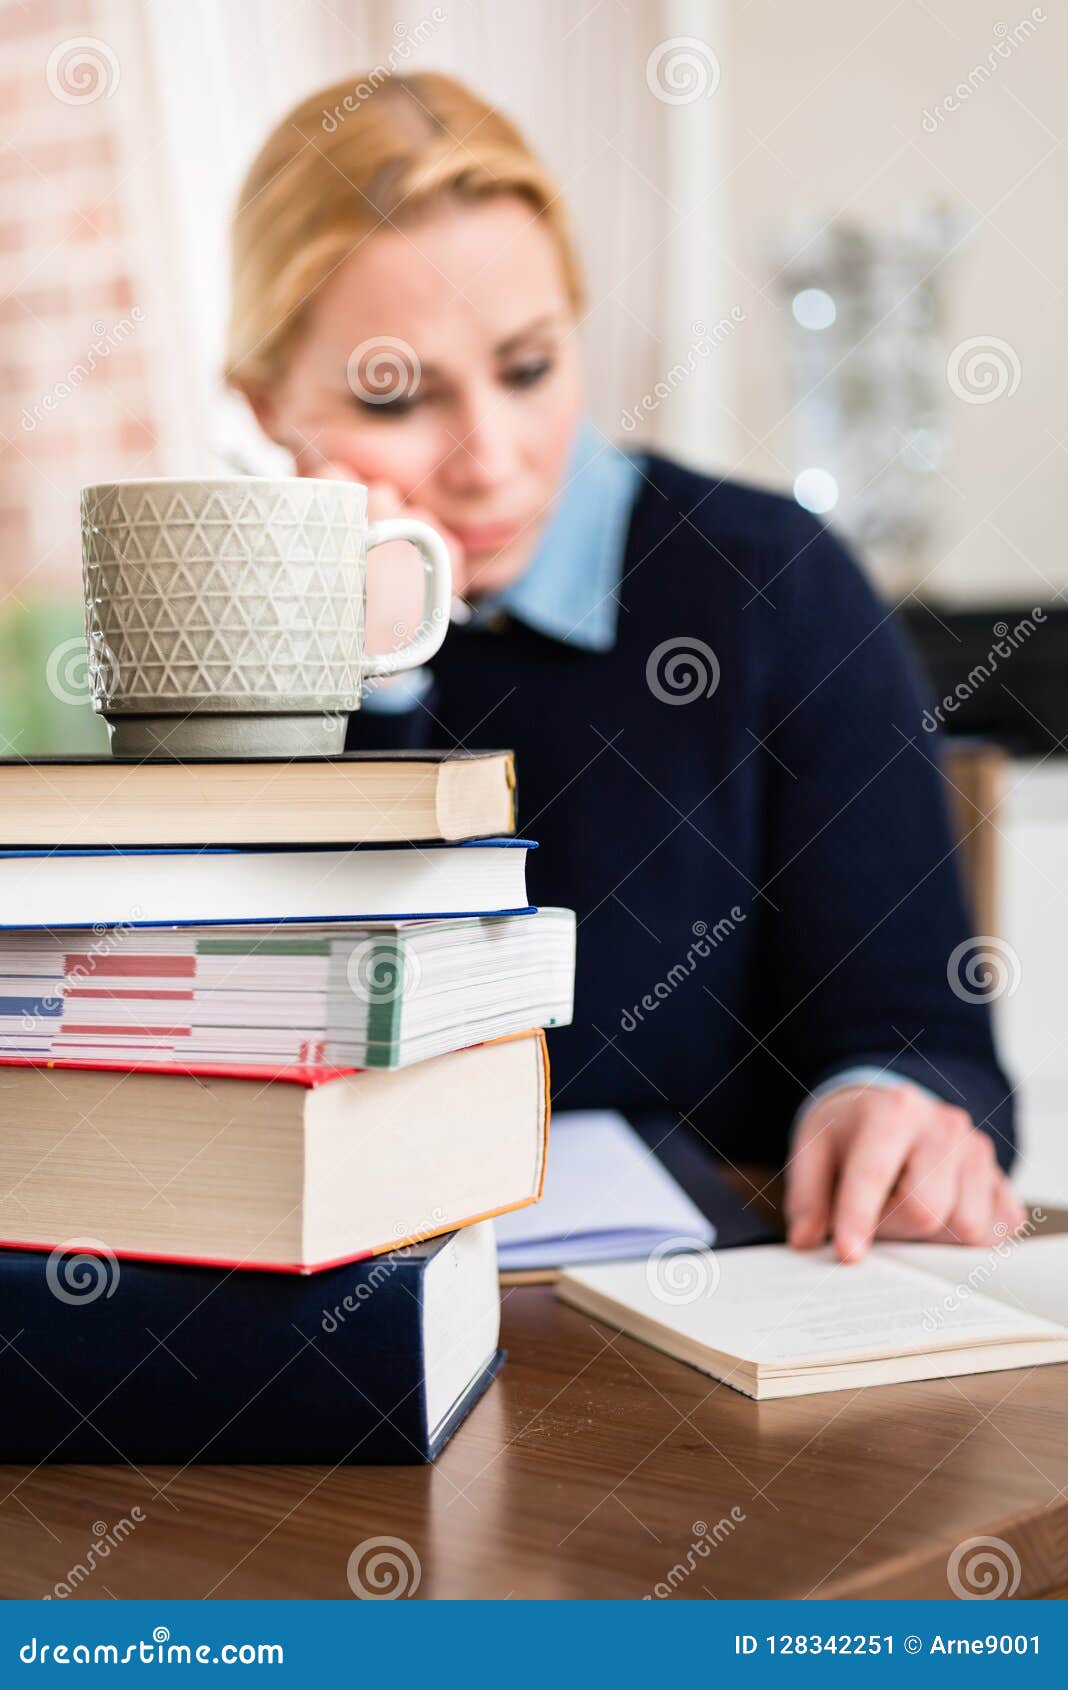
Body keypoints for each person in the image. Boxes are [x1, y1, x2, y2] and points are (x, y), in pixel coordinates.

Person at [224, 70, 1022, 1262]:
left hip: (710, 1344)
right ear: (266, 410)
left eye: (530, 367)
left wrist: (887, 1101)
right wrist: (379, 676)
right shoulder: (213, 652)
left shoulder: (771, 584)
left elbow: (932, 1034)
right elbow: (286, 1060)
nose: (490, 457)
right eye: (398, 396)